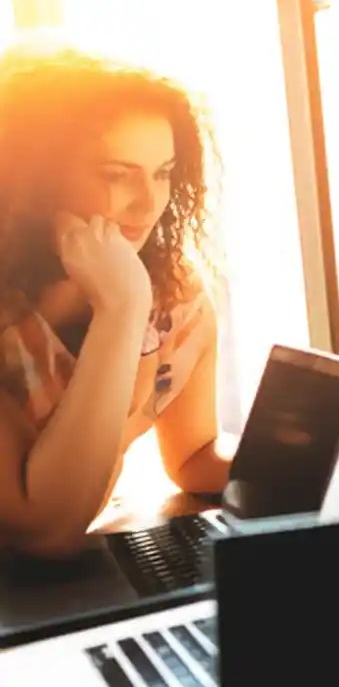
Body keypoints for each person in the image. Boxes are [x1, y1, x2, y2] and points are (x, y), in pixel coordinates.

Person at [0, 42, 229, 558]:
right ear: (36, 178)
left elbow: (193, 456)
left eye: (163, 172)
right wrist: (121, 309)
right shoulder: (131, 295)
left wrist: (300, 462)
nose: (148, 203)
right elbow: (43, 533)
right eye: (116, 175)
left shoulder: (175, 298)